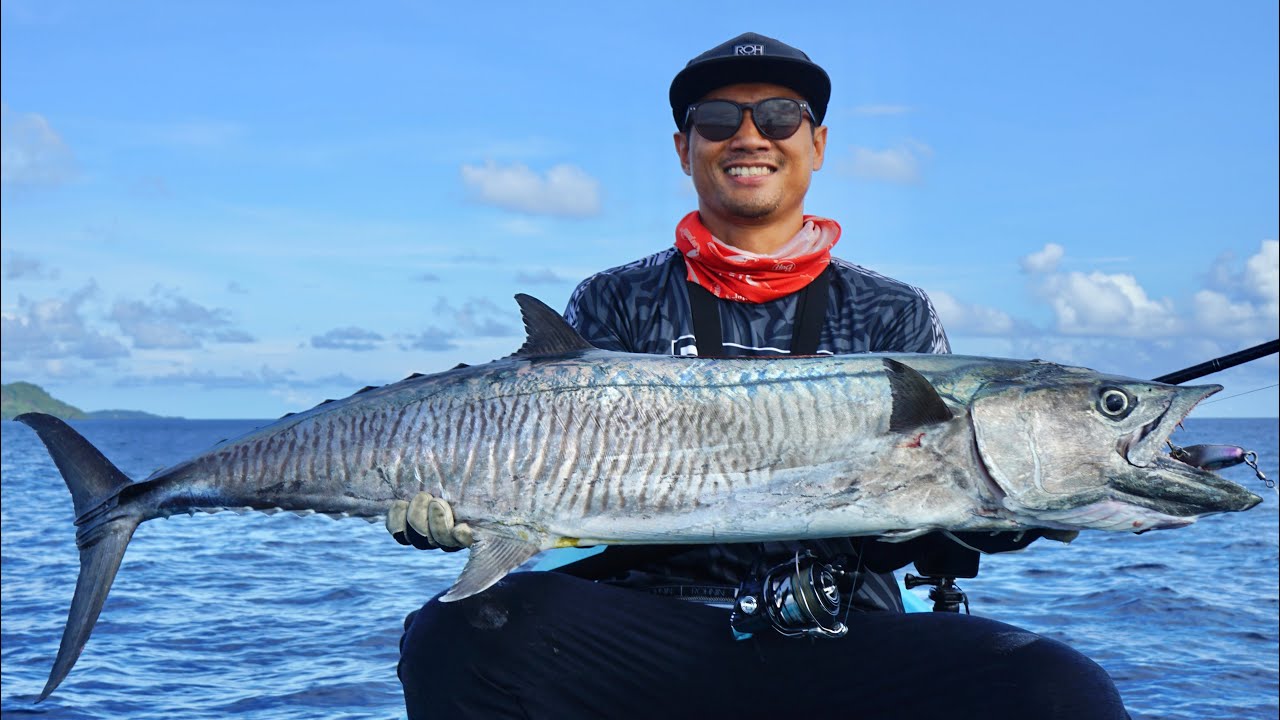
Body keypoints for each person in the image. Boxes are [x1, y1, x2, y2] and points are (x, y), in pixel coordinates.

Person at [388, 32, 1130, 719]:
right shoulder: (614, 300)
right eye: (717, 119)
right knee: (455, 636)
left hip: (842, 628)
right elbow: (555, 482)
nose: (749, 135)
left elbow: (928, 536)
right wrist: (466, 513)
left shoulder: (892, 312)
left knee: (1059, 690)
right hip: (647, 625)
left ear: (818, 144)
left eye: (779, 116)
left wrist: (1035, 496)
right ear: (684, 149)